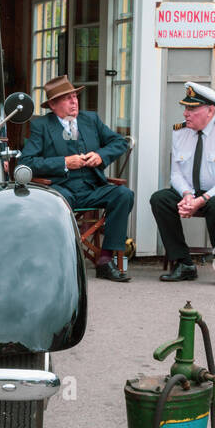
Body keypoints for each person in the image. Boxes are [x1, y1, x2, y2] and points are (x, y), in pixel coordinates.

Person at [19, 75, 134, 282]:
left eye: (75, 96)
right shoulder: (42, 126)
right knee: (61, 202)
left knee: (123, 195)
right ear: (53, 105)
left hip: (91, 187)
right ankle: (63, 259)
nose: (75, 102)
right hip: (60, 188)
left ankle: (105, 261)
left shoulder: (90, 120)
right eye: (68, 98)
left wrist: (100, 156)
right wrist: (63, 162)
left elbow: (119, 142)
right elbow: (26, 163)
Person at [149, 82, 215, 289]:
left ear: (210, 110)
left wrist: (202, 199)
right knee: (160, 199)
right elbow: (176, 174)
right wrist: (187, 195)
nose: (186, 113)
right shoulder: (180, 132)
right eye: (185, 108)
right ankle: (183, 264)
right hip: (195, 192)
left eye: (192, 109)